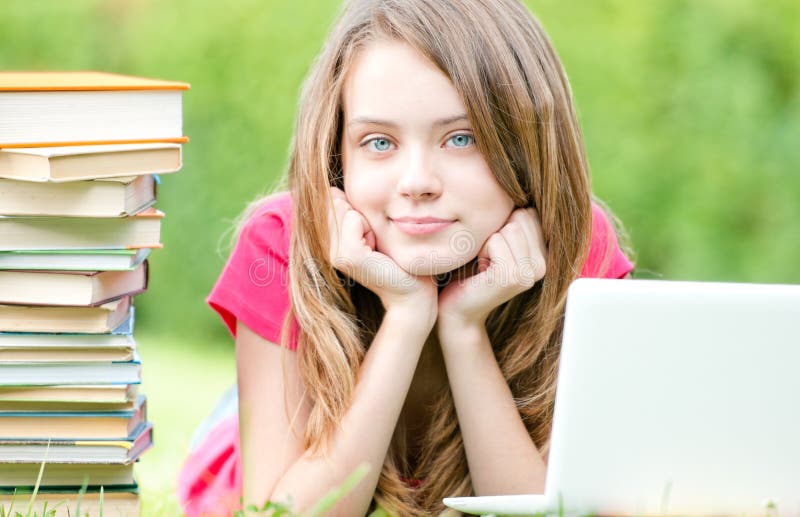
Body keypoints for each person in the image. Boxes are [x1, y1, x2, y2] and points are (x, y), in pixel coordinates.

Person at [177, 0, 635, 515]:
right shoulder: (282, 242)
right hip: (265, 443)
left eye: (462, 138)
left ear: (528, 148)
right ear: (335, 156)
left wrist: (464, 330)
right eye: (378, 142)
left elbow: (551, 508)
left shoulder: (576, 246)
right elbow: (281, 510)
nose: (416, 182)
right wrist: (406, 316)